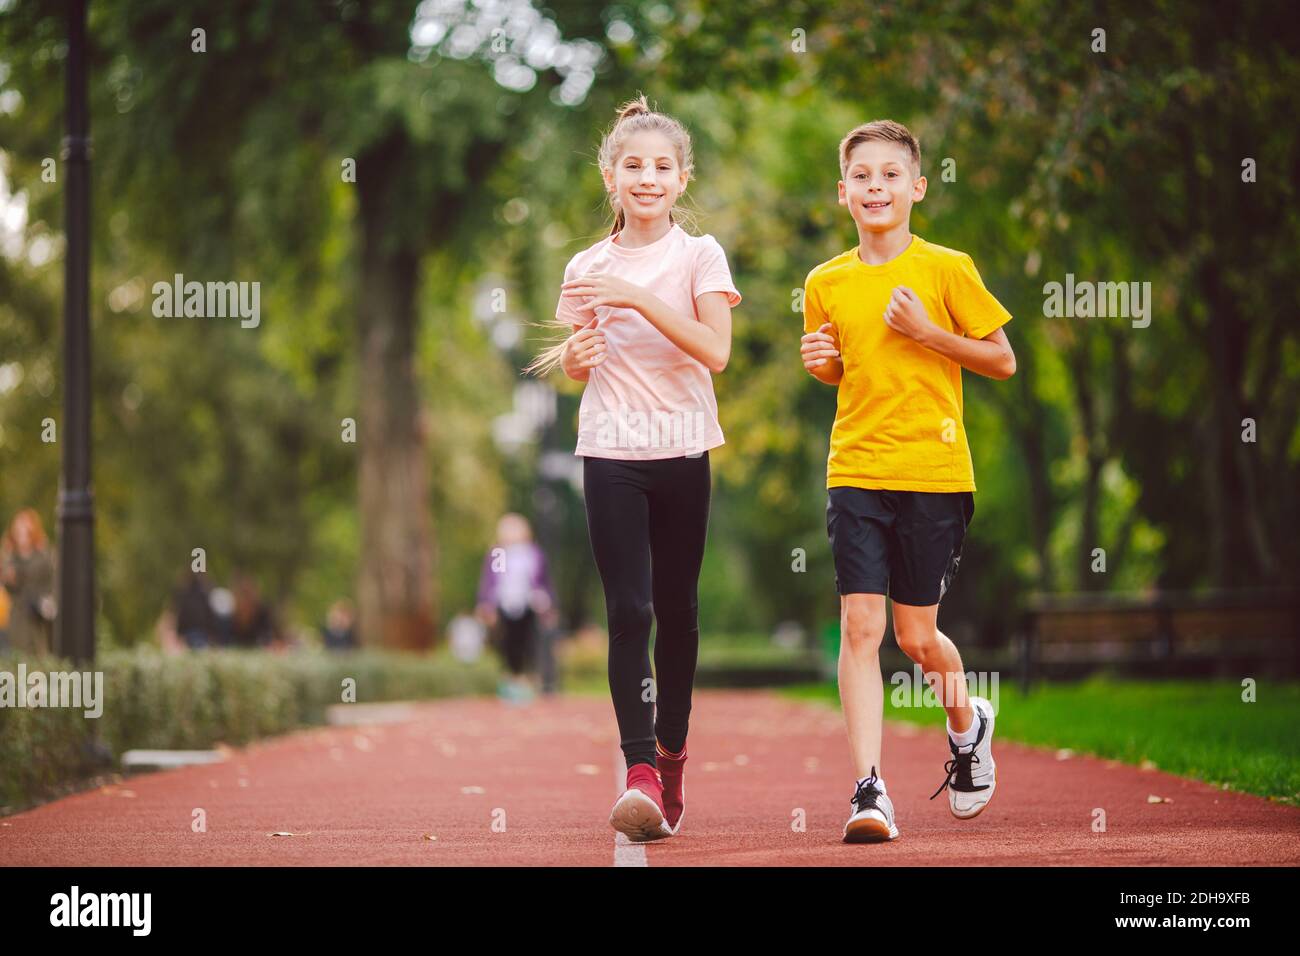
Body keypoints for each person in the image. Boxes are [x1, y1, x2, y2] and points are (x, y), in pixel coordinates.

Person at [529, 95, 741, 842]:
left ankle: (673, 755)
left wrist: (639, 299)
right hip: (612, 450)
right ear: (609, 177)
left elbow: (715, 351)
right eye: (632, 166)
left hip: (684, 450)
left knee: (678, 612)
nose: (646, 177)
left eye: (661, 166)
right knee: (631, 610)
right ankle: (639, 770)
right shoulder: (585, 266)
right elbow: (575, 367)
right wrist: (577, 361)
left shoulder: (699, 255)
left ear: (682, 178)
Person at [799, 120, 1016, 843]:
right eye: (862, 177)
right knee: (861, 627)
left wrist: (929, 334)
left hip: (934, 471)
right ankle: (869, 790)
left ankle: (967, 722)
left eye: (891, 175)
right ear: (843, 192)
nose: (876, 188)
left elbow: (1002, 360)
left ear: (917, 187)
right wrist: (820, 361)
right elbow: (840, 370)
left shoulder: (948, 268)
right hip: (856, 467)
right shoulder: (824, 282)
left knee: (917, 638)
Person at [475, 513, 556, 703]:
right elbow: (491, 581)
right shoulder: (500, 553)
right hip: (505, 604)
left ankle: (529, 681)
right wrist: (486, 603)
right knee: (508, 643)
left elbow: (544, 581)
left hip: (530, 603)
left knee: (529, 643)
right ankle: (511, 681)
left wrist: (549, 603)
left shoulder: (533, 553)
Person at [0, 509, 57, 658]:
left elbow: (49, 582)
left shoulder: (43, 556)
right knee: (16, 658)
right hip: (17, 618)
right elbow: (8, 586)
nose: (22, 535)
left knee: (39, 656)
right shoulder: (10, 556)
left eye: (25, 530)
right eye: (18, 531)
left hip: (38, 617)